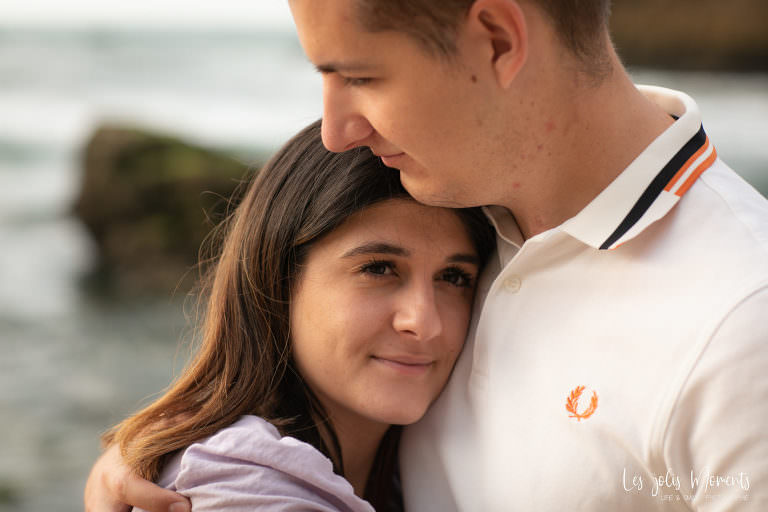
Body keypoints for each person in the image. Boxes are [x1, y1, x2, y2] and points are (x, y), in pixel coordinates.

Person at [87, 1, 768, 510]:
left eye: (360, 76)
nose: (336, 129)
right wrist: (177, 455)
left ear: (498, 40)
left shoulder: (740, 322)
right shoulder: (462, 210)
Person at [88, 119, 495, 512]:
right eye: (378, 268)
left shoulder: (423, 462)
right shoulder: (235, 485)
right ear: (279, 280)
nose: (423, 321)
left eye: (454, 277)